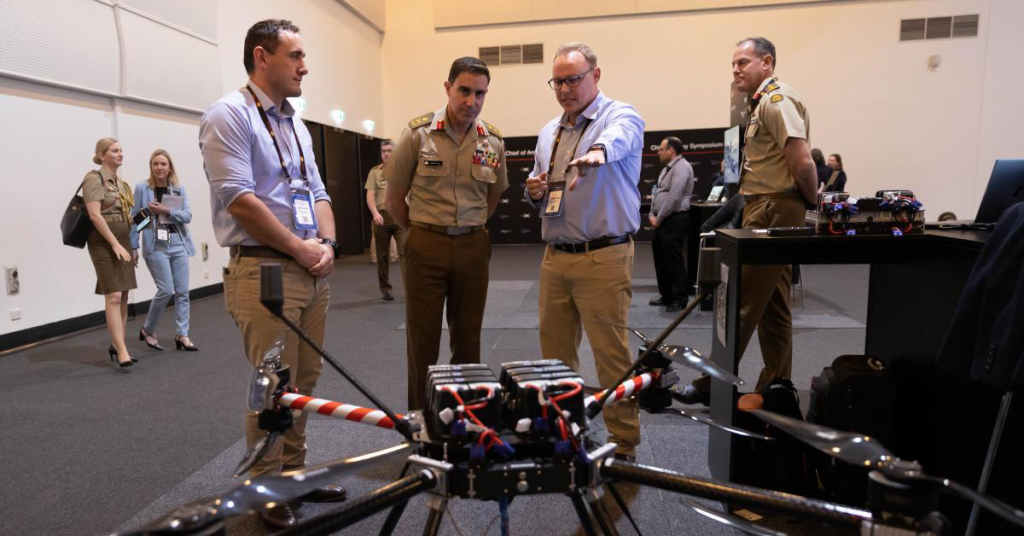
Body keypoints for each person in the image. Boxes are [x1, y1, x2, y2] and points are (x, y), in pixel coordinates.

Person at [199, 19, 345, 529]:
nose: (305, 65)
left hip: (309, 267)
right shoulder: (229, 115)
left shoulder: (295, 123)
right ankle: (262, 489)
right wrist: (301, 250)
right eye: (295, 55)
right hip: (264, 268)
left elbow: (319, 194)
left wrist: (325, 244)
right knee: (272, 385)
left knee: (304, 382)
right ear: (263, 58)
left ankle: (294, 476)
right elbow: (239, 200)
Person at [676, 37, 817, 406]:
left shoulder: (776, 100)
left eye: (743, 62)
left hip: (775, 208)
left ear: (767, 63)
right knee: (773, 306)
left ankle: (711, 383)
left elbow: (802, 162)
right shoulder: (759, 103)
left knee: (743, 301)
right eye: (733, 63)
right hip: (768, 207)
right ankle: (776, 382)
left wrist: (808, 203)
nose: (736, 69)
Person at [524, 43, 645, 461]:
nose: (565, 88)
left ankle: (624, 441)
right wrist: (534, 191)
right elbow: (546, 191)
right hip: (556, 256)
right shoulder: (548, 132)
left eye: (574, 78)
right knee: (555, 357)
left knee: (610, 354)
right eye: (558, 81)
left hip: (603, 256)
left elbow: (619, 139)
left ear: (596, 75)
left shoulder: (620, 115)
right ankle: (565, 432)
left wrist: (598, 152)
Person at [384, 57, 508, 411]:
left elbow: (493, 197)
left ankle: (465, 418)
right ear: (448, 88)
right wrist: (424, 232)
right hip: (425, 244)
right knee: (422, 340)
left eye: (480, 93)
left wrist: (470, 227)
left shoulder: (493, 141)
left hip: (472, 245)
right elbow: (393, 199)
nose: (472, 101)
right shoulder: (417, 134)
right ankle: (421, 421)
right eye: (464, 91)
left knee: (468, 340)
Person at [130, 150, 199, 352]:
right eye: (155, 164)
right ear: (151, 166)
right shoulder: (143, 188)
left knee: (183, 292)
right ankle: (148, 329)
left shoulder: (178, 189)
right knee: (166, 290)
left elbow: (187, 216)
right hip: (156, 246)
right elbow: (136, 220)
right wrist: (134, 245)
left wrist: (166, 211)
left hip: (178, 244)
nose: (159, 167)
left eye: (163, 164)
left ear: (170, 167)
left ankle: (182, 334)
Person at [83, 138, 138, 371]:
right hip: (103, 243)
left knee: (123, 295)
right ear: (101, 155)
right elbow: (94, 215)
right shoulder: (93, 179)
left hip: (124, 240)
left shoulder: (123, 185)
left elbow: (129, 218)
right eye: (114, 150)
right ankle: (122, 350)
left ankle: (118, 344)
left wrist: (133, 244)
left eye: (121, 150)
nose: (120, 154)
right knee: (113, 296)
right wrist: (115, 244)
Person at [649, 136, 695, 312]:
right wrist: (654, 214)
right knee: (661, 258)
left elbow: (673, 197)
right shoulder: (666, 169)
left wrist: (658, 219)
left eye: (661, 149)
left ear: (671, 150)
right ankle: (666, 295)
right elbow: (659, 193)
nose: (658, 152)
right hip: (663, 220)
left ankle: (679, 299)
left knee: (673, 260)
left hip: (675, 219)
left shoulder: (682, 168)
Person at [365, 139, 407, 300]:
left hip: (400, 217)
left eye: (390, 150)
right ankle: (385, 289)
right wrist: (375, 214)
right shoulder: (375, 172)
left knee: (406, 254)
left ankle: (410, 288)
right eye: (384, 151)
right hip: (381, 217)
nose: (387, 154)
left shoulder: (403, 170)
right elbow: (369, 195)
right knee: (382, 256)